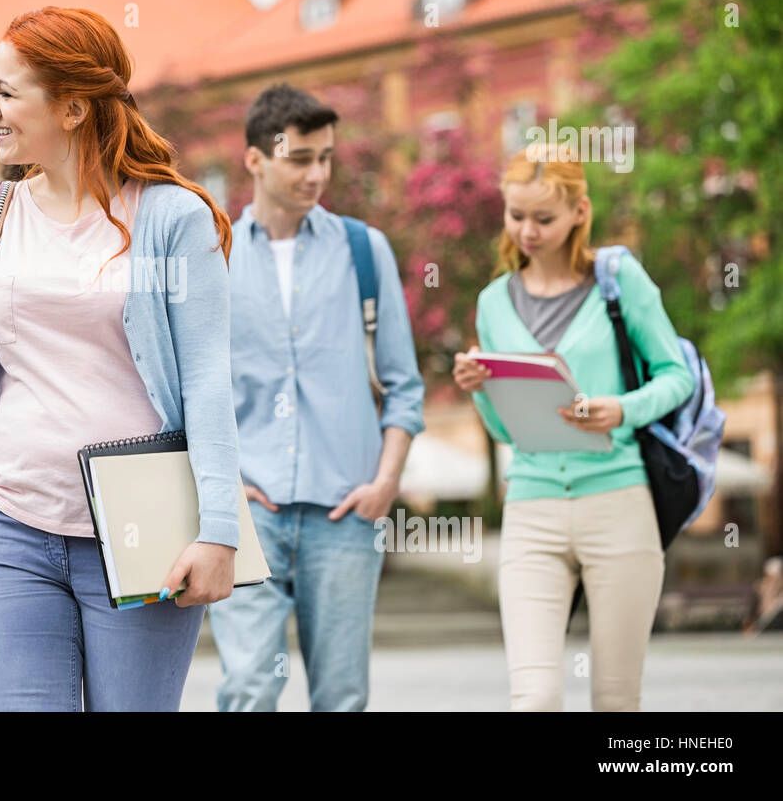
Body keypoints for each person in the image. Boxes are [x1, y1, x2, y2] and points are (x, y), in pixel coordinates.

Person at [0, 6, 240, 711]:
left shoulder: (171, 218)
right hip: (7, 523)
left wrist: (219, 529)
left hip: (144, 530)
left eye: (7, 92)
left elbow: (207, 381)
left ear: (71, 108)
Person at [207, 83, 425, 711]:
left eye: (325, 158)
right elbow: (189, 391)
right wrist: (223, 487)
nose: (317, 174)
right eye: (300, 159)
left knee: (342, 697)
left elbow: (404, 386)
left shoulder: (363, 250)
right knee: (249, 688)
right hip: (249, 513)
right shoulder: (213, 258)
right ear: (255, 160)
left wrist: (385, 483)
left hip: (346, 513)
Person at [452, 146, 694, 711]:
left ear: (580, 212)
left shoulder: (620, 282)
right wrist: (480, 389)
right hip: (532, 508)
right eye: (516, 216)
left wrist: (622, 409)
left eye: (544, 218)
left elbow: (677, 376)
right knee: (534, 698)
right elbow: (508, 432)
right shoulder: (494, 302)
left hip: (618, 504)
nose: (527, 231)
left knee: (615, 701)